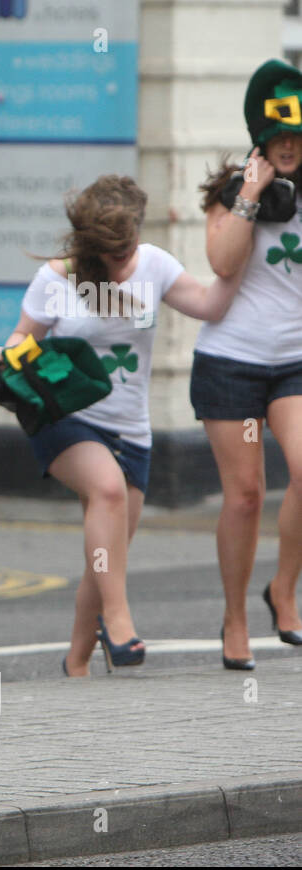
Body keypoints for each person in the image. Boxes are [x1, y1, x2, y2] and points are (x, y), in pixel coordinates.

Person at [0, 174, 241, 677]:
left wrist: (244, 243)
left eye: (126, 246)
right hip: (68, 421)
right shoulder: (59, 277)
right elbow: (17, 344)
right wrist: (21, 356)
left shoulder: (154, 263)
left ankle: (78, 660)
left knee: (105, 553)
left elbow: (210, 304)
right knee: (107, 493)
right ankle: (119, 617)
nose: (122, 260)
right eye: (110, 252)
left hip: (132, 430)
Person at [195, 59, 302, 668]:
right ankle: (235, 617)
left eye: (298, 136)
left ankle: (283, 588)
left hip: (294, 361)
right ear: (262, 136)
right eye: (280, 136)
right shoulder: (236, 188)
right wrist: (251, 195)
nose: (289, 146)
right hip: (231, 361)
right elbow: (222, 263)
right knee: (245, 496)